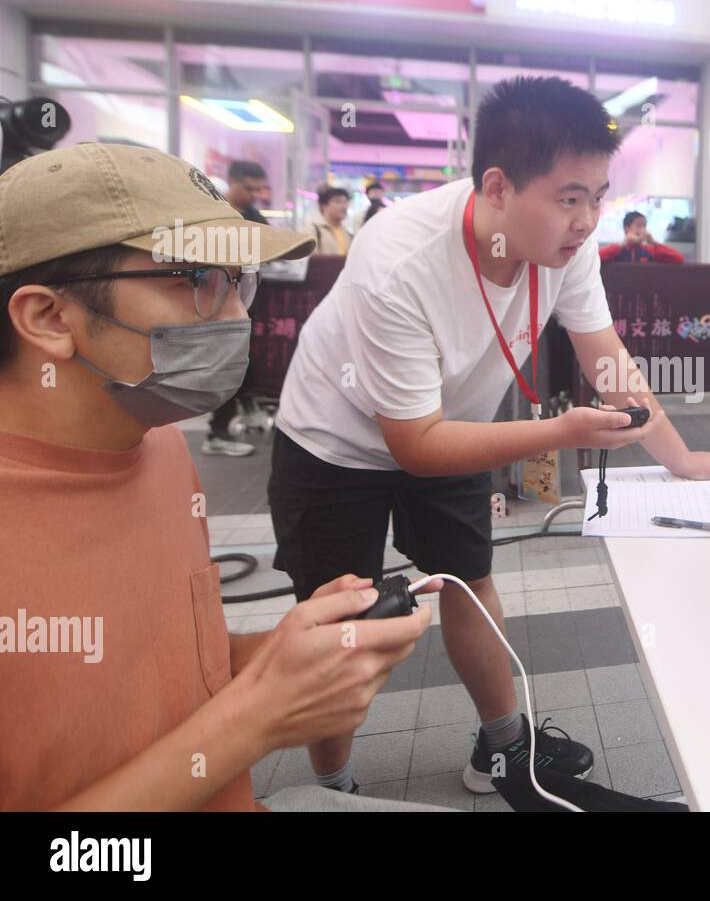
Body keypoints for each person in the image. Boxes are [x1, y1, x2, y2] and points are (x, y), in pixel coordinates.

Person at [270, 76, 710, 796]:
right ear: (496, 186)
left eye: (599, 196)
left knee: (470, 579)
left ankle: (503, 747)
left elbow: (607, 357)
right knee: (344, 620)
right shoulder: (399, 260)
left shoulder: (568, 249)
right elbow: (415, 447)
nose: (587, 221)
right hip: (334, 442)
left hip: (450, 424)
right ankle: (330, 787)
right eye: (569, 197)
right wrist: (560, 429)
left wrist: (679, 457)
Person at [0, 143, 450, 811]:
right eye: (195, 279)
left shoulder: (160, 455)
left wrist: (287, 654)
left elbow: (168, 667)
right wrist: (258, 719)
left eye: (240, 282)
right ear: (48, 317)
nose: (238, 317)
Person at [204, 159, 272, 457]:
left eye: (258, 189)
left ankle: (237, 413)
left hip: (246, 302)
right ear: (231, 181)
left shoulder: (255, 216)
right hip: (214, 303)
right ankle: (218, 431)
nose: (254, 194)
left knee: (240, 362)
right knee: (227, 366)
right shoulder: (210, 211)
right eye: (249, 188)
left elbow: (270, 248)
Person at [598, 211, 685, 264]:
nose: (643, 230)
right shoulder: (617, 250)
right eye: (639, 225)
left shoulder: (649, 250)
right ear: (626, 229)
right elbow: (597, 258)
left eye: (644, 226)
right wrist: (623, 244)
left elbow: (678, 258)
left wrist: (654, 242)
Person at [309, 186, 353, 255]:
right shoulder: (313, 229)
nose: (344, 206)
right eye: (338, 201)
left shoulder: (347, 233)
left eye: (345, 202)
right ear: (323, 206)